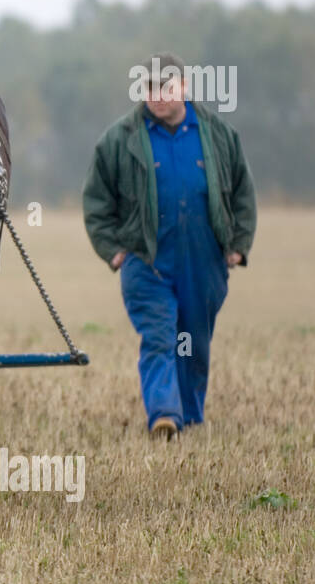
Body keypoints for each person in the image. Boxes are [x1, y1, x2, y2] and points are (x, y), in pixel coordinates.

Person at [82, 52, 256, 439]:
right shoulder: (117, 140)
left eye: (166, 86)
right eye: (149, 88)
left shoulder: (219, 135)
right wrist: (112, 249)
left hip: (204, 260)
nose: (157, 95)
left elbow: (243, 193)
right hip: (146, 261)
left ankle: (190, 418)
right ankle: (164, 414)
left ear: (185, 86)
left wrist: (239, 245)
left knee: (192, 342)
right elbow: (96, 202)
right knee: (160, 338)